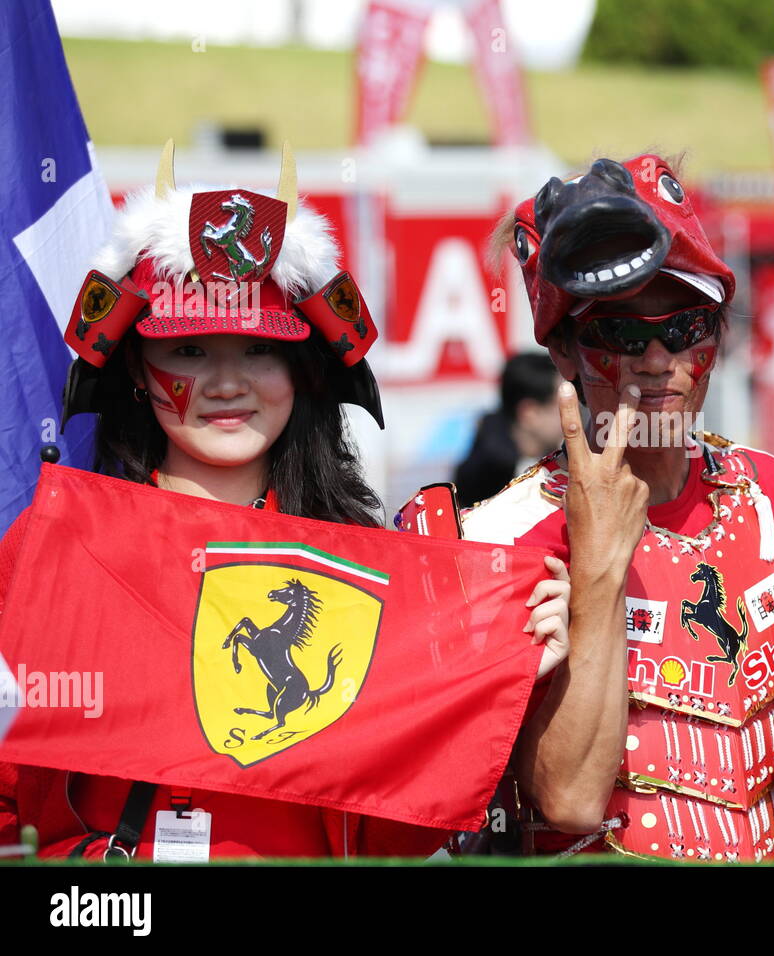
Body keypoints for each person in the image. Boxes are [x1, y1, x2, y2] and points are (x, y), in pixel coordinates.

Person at [0, 145, 571, 861]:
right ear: (138, 372)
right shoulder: (55, 544)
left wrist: (505, 674)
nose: (227, 382)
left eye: (259, 352)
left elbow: (389, 829)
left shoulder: (369, 569)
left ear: (303, 372)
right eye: (190, 351)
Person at [447, 154, 774, 861]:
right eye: (620, 334)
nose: (657, 360)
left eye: (684, 329)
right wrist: (598, 561)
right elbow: (568, 798)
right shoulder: (503, 535)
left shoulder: (765, 489)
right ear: (563, 350)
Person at [454, 352, 562, 507]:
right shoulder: (494, 474)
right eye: (561, 405)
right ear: (530, 413)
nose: (573, 414)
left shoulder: (490, 436)